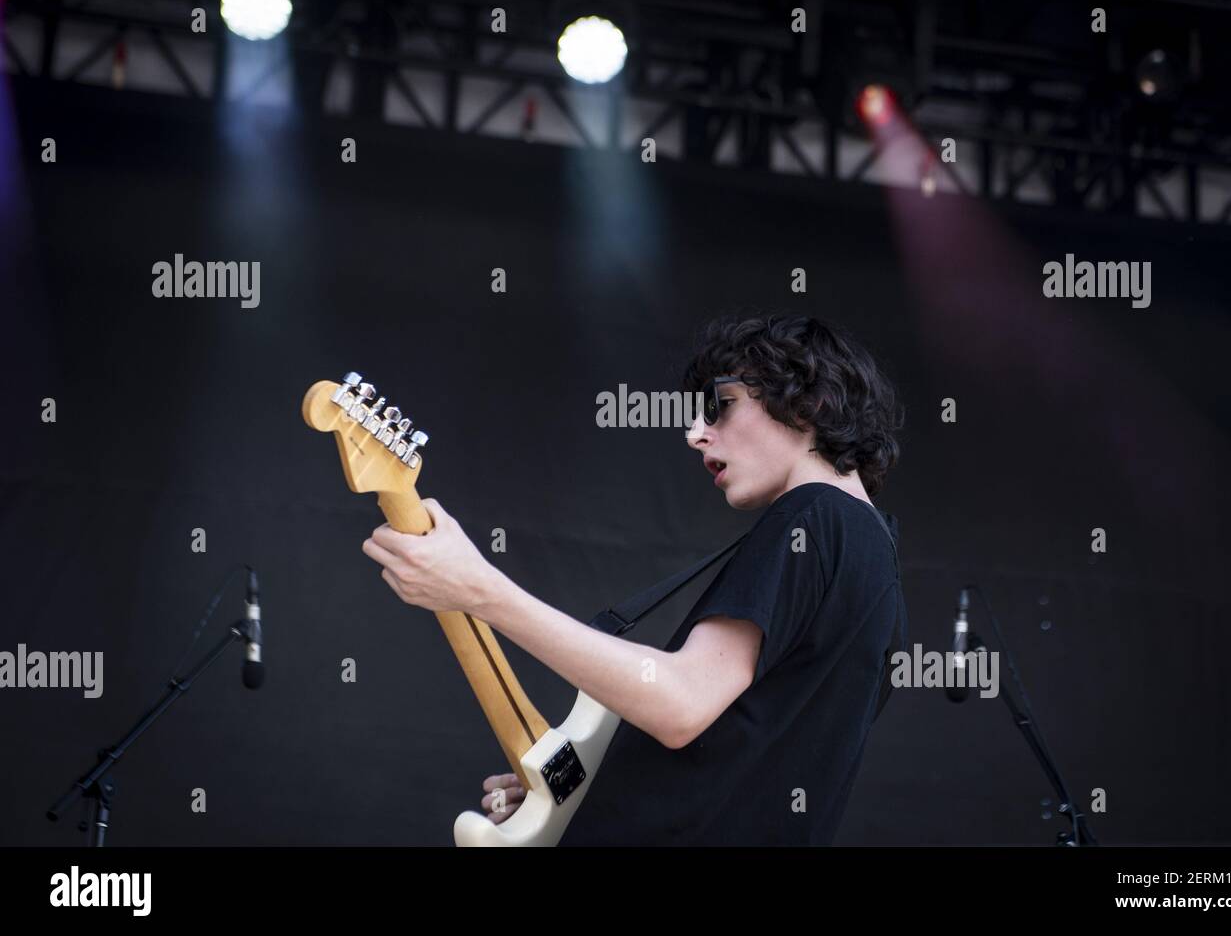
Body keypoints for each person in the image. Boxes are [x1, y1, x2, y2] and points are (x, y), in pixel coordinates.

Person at [362, 313, 907, 844]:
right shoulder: (873, 553)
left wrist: (478, 588)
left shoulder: (814, 515)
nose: (695, 434)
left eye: (719, 408)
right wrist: (583, 792)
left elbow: (680, 702)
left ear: (809, 401)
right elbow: (740, 757)